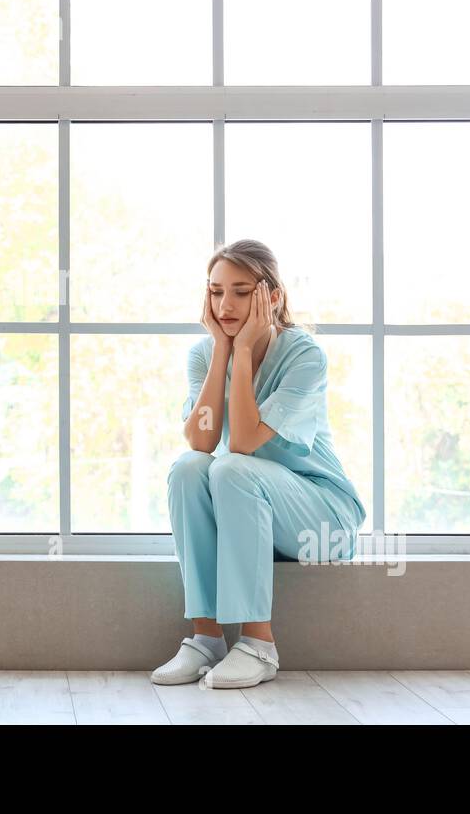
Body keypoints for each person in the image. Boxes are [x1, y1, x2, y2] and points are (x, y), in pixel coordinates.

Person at [152, 239, 366, 689]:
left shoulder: (304, 354)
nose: (225, 305)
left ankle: (258, 645)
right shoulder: (202, 354)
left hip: (321, 518)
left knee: (232, 467)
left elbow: (245, 442)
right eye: (215, 292)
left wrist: (245, 351)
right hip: (252, 510)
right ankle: (206, 637)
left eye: (241, 291)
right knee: (189, 468)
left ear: (272, 296)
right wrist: (222, 351)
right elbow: (202, 437)